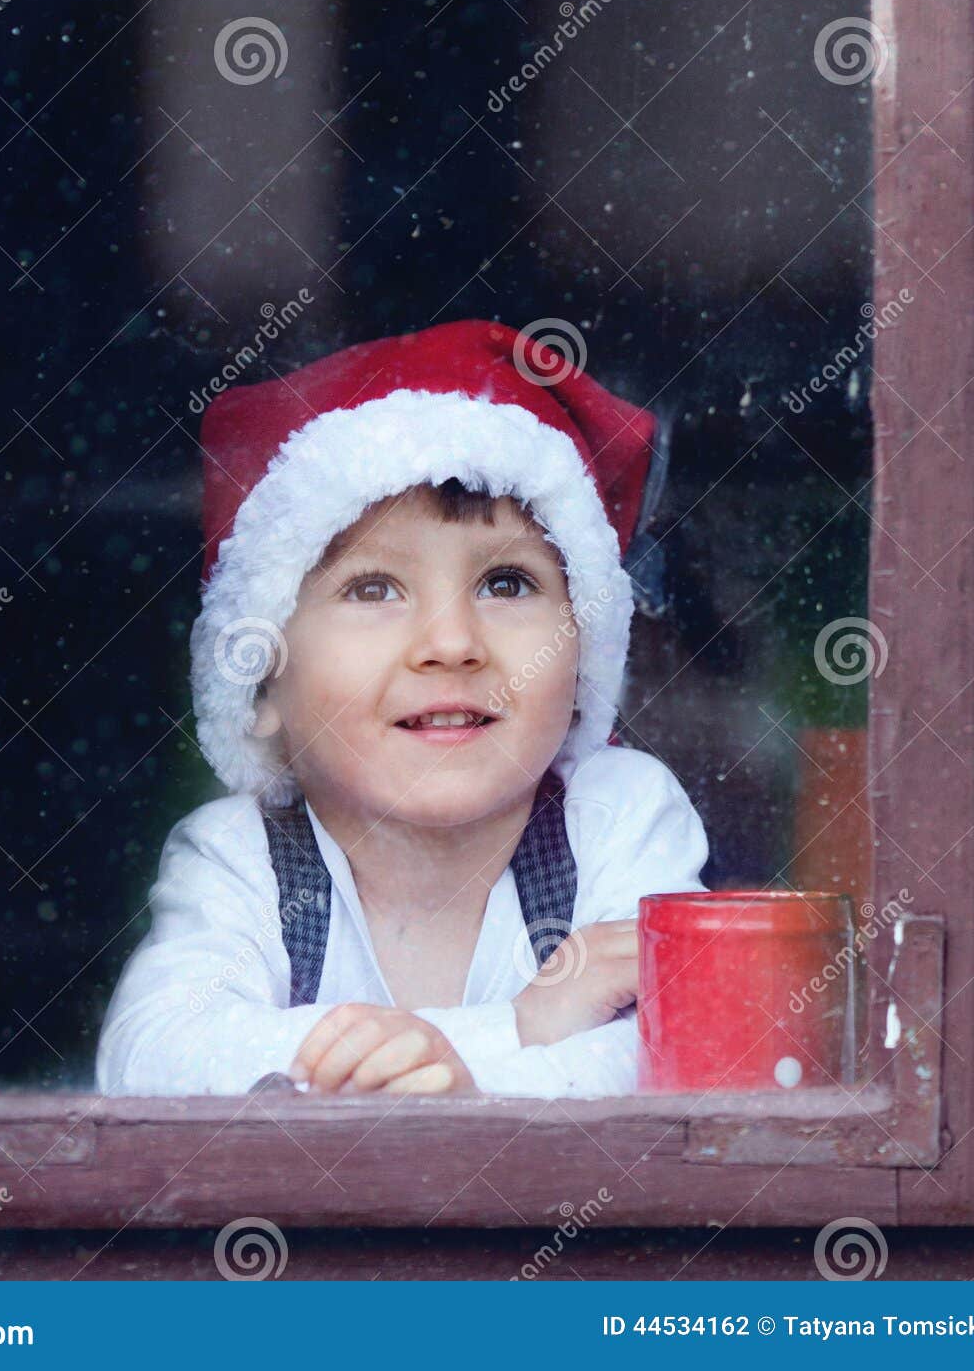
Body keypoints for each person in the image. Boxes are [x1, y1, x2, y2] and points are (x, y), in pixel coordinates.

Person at [96, 318, 709, 1098]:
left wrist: (424, 1082)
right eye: (373, 589)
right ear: (260, 684)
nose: (451, 643)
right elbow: (150, 1060)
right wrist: (512, 1032)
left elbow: (677, 1059)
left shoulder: (615, 816)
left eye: (505, 583)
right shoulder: (242, 859)